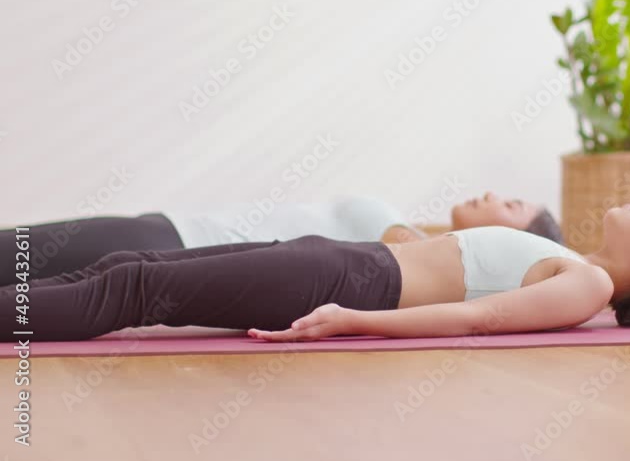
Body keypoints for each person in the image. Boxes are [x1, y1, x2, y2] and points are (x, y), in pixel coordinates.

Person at [0, 203, 630, 342]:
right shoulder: (575, 261)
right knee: (132, 265)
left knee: (133, 288)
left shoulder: (591, 286)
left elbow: (476, 319)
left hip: (353, 282)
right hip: (348, 262)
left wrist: (355, 318)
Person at [0, 192, 563, 282]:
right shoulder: (413, 243)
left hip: (173, 246)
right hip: (170, 234)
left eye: (511, 204)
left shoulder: (413, 256)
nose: (493, 193)